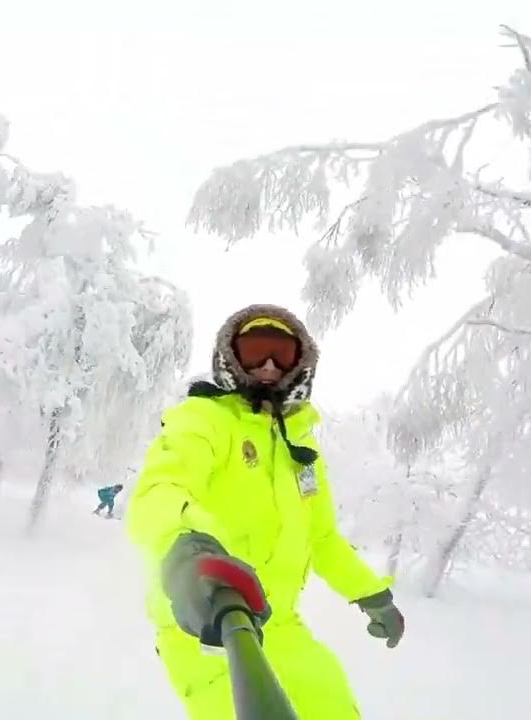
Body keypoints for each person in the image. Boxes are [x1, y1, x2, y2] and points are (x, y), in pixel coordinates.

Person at [125, 304, 405, 720]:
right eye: (255, 351)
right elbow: (161, 489)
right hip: (208, 623)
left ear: (301, 363)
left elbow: (323, 539)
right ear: (230, 358)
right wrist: (187, 548)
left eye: (282, 353)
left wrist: (371, 594)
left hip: (281, 626)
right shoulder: (204, 419)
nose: (269, 365)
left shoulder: (301, 453)